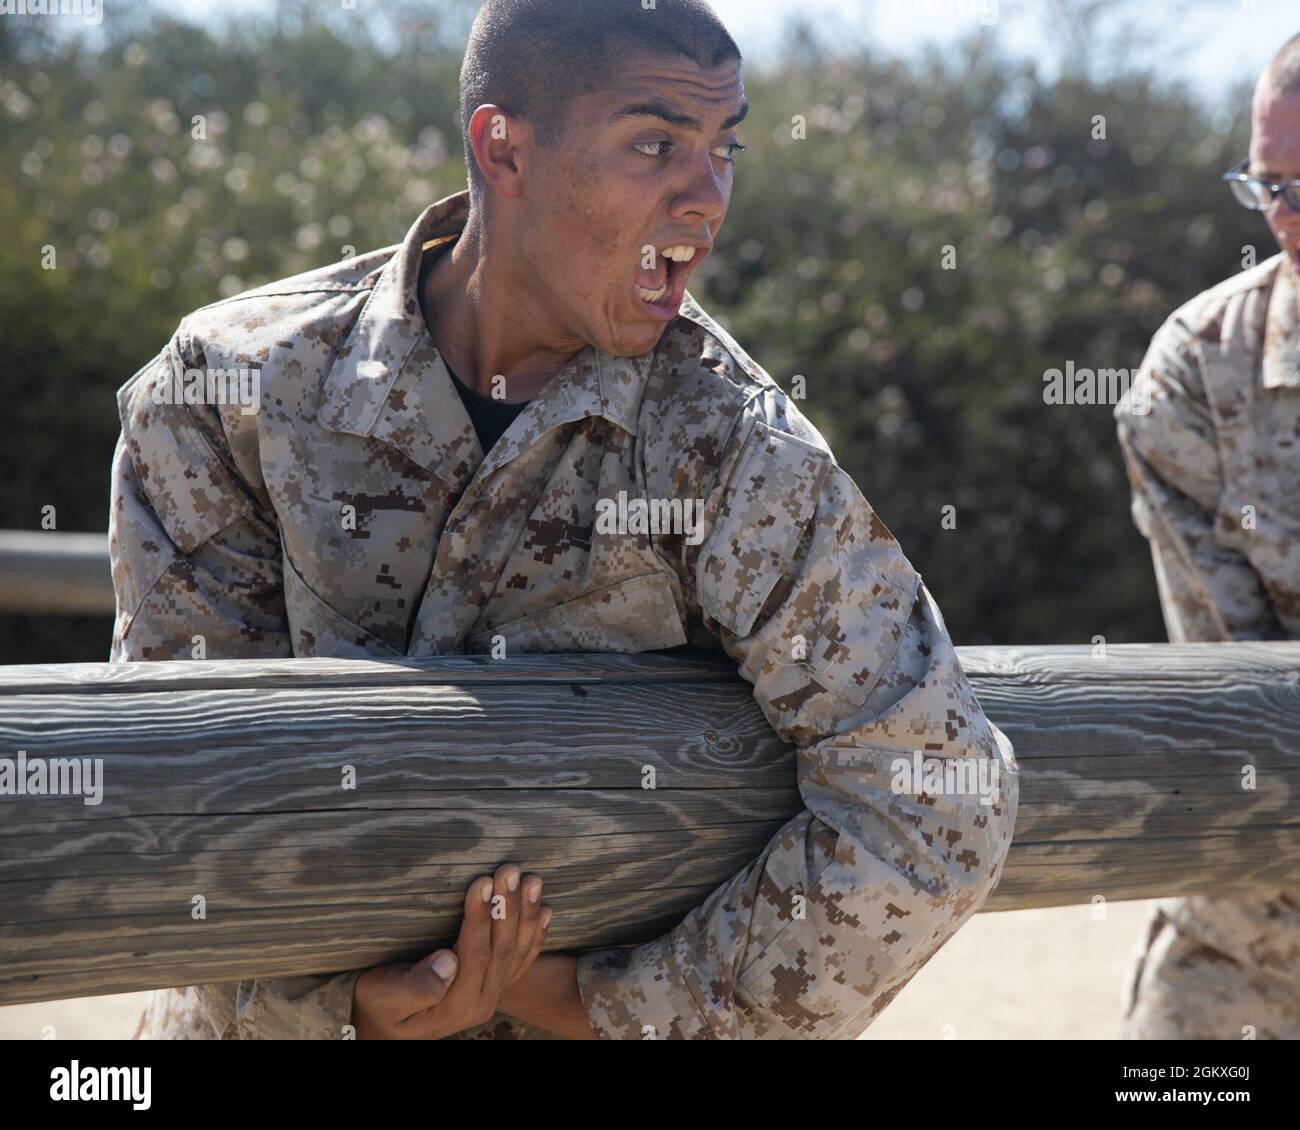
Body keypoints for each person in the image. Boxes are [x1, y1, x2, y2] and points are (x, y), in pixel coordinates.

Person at [111, 0, 1017, 1040]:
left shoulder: (730, 449)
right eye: (654, 145)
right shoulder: (230, 389)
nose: (707, 196)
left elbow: (935, 794)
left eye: (724, 147)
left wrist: (612, 1007)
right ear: (503, 148)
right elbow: (172, 782)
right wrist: (333, 1006)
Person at [1114, 32, 1300, 1040]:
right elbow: (1247, 691)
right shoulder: (1199, 368)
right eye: (1267, 184)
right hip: (1249, 955)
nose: (1284, 220)